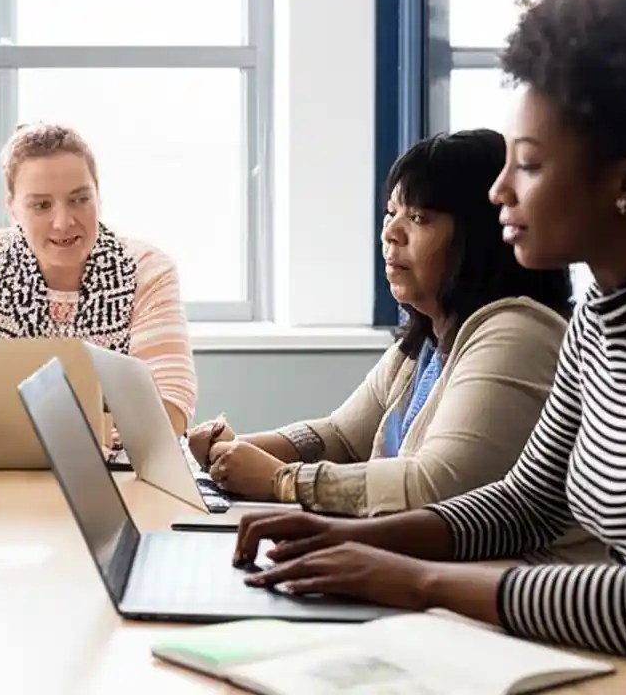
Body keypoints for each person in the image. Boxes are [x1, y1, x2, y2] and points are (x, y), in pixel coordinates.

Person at [234, 0, 626, 663]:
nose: (498, 190)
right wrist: (348, 538)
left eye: (528, 165)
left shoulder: (538, 326)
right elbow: (527, 501)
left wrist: (419, 580)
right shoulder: (597, 326)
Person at [188, 130, 573, 516]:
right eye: (392, 213)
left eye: (418, 217)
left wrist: (283, 481)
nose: (390, 232)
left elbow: (435, 489)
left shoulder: (517, 334)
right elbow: (340, 437)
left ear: (479, 238)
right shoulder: (426, 340)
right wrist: (237, 454)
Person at [0, 122, 197, 435]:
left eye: (79, 199)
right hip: (0, 472)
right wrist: (106, 424)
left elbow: (171, 408)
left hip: (120, 473)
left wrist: (16, 424)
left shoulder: (146, 270)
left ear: (98, 194)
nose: (63, 221)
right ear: (13, 209)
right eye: (41, 205)